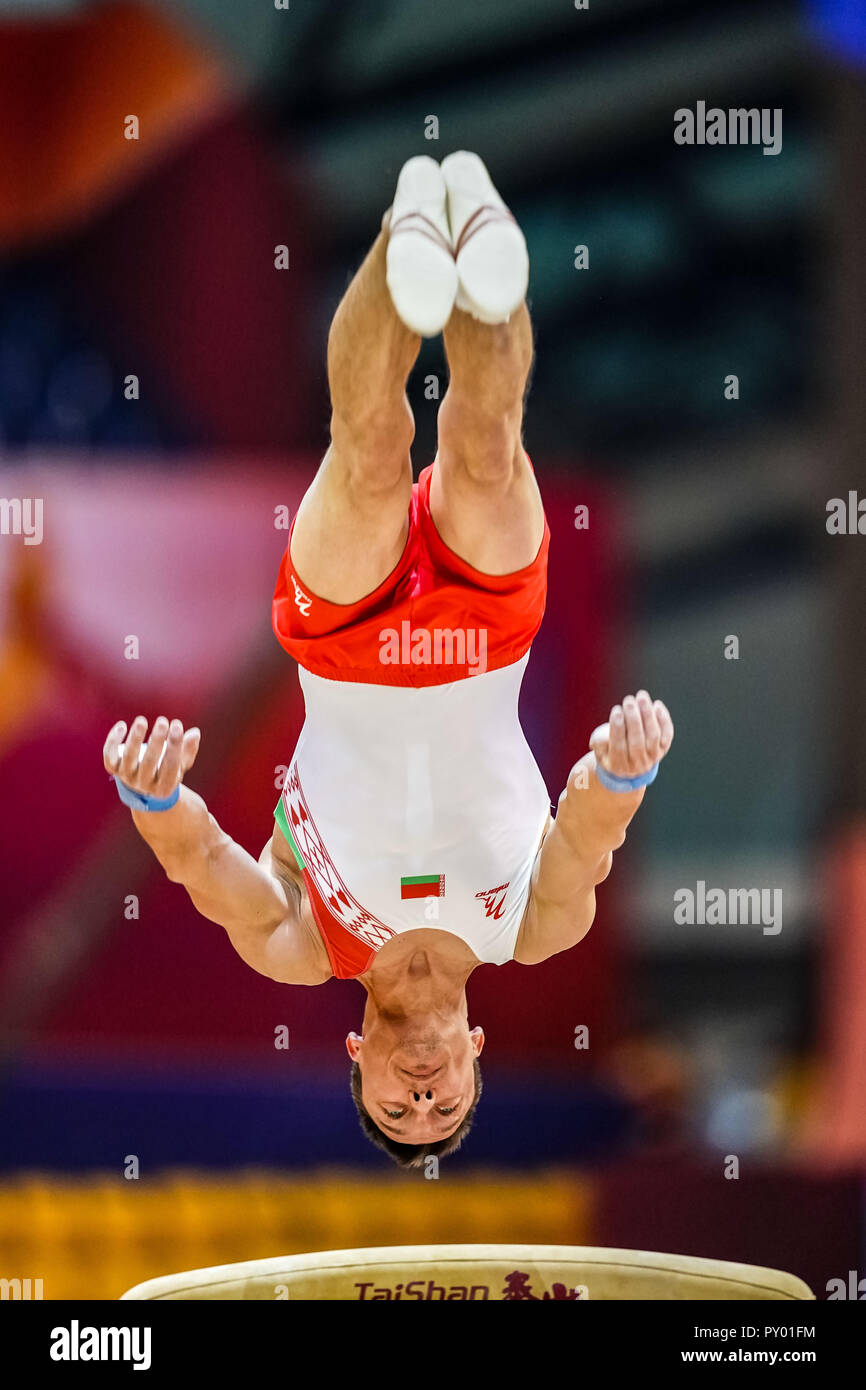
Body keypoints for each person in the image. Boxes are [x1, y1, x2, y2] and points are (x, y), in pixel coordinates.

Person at [102, 153, 674, 1168]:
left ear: (357, 1055)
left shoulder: (302, 946)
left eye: (399, 1110)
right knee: (486, 442)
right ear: (476, 1054)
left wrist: (152, 799)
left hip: (343, 639)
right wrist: (621, 767)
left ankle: (407, 233)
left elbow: (200, 865)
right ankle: (483, 249)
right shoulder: (527, 930)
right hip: (483, 635)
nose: (422, 1098)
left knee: (368, 452)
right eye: (444, 1108)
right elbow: (589, 831)